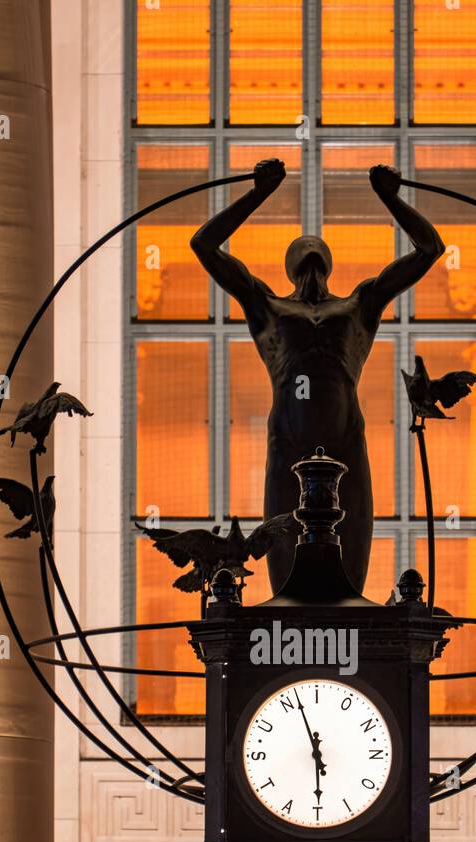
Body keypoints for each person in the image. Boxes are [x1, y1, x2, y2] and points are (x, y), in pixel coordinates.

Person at [190, 159, 445, 591]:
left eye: (316, 246)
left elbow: (430, 250)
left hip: (345, 442)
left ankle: (351, 646)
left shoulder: (359, 304)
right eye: (301, 247)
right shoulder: (266, 305)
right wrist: (259, 192)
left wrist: (390, 197)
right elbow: (204, 245)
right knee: (286, 581)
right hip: (288, 445)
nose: (310, 250)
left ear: (329, 261)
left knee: (350, 580)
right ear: (289, 264)